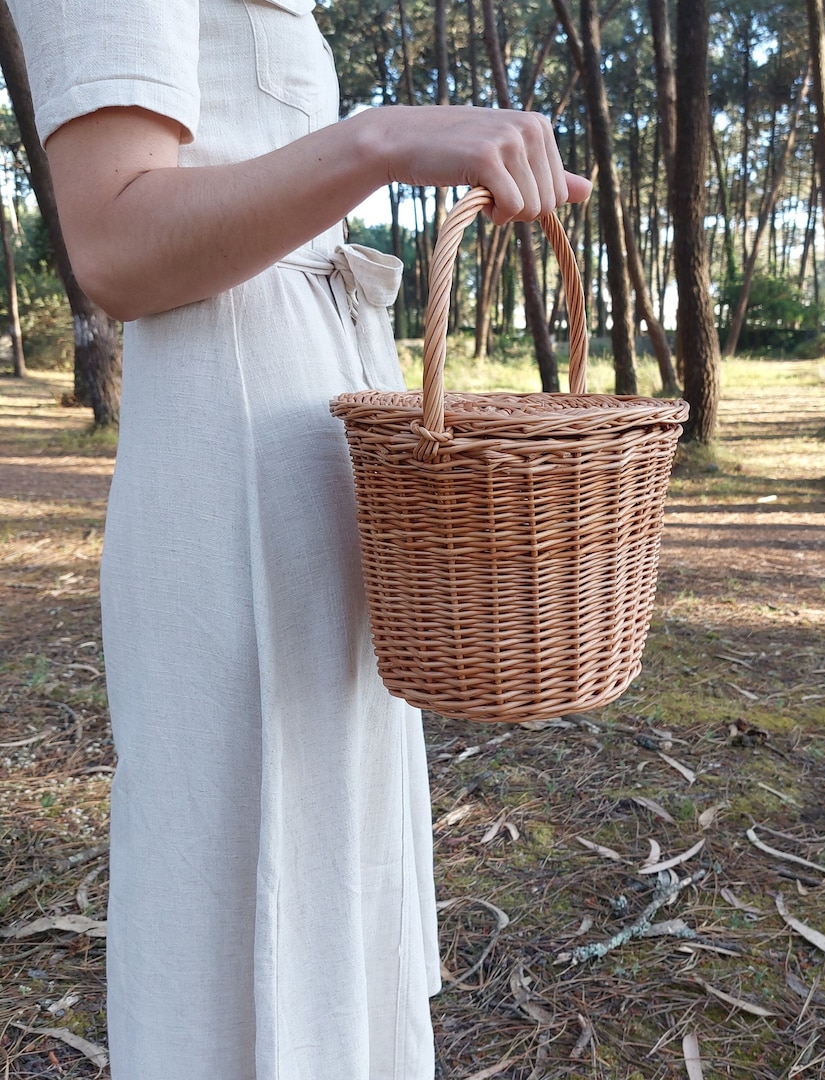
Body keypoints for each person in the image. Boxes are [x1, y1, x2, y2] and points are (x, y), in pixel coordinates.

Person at [8, 2, 591, 1078]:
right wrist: (378, 141)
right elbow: (117, 242)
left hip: (313, 429)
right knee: (246, 872)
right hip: (232, 461)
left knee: (329, 868)